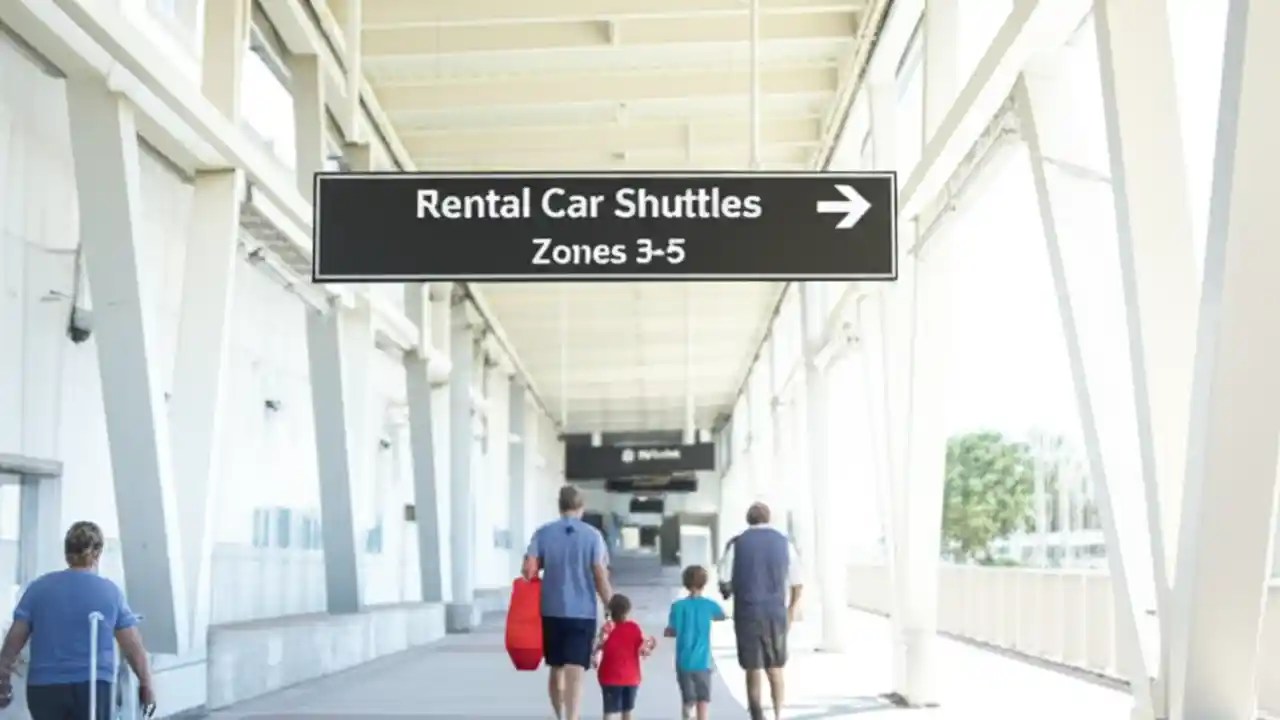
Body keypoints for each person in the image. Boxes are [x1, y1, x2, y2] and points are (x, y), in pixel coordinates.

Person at [0, 521, 156, 719]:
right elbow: (133, 646)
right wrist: (146, 684)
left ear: (67, 553)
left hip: (45, 689)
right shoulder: (110, 592)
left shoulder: (38, 589)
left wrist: (3, 676)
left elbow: (14, 638)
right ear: (98, 553)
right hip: (94, 686)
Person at [523, 485, 613, 720]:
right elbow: (599, 574)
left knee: (556, 667)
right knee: (576, 669)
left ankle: (560, 716)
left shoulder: (543, 533)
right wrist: (610, 604)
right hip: (582, 611)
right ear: (581, 507)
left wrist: (546, 562)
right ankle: (573, 717)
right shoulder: (593, 536)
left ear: (559, 506)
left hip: (551, 608)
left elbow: (529, 571)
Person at [716, 502, 802, 720]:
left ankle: (756, 715)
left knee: (752, 668)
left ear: (748, 519)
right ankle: (778, 714)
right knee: (775, 667)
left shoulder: (737, 543)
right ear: (768, 517)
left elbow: (724, 579)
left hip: (747, 612)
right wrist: (791, 608)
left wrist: (731, 589)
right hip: (775, 613)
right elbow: (797, 581)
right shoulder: (784, 543)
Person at [665, 565, 726, 720]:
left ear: (685, 583)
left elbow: (672, 630)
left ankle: (687, 716)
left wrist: (670, 632)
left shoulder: (677, 606)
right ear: (704, 583)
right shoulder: (709, 605)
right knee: (703, 700)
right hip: (703, 661)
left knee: (687, 700)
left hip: (683, 660)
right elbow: (722, 615)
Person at [592, 594, 656, 720]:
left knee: (608, 711)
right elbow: (642, 651)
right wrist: (650, 646)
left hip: (609, 677)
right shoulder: (633, 628)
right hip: (631, 678)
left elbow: (599, 646)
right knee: (627, 712)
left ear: (610, 611)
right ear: (628, 611)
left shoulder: (607, 629)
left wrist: (594, 657)